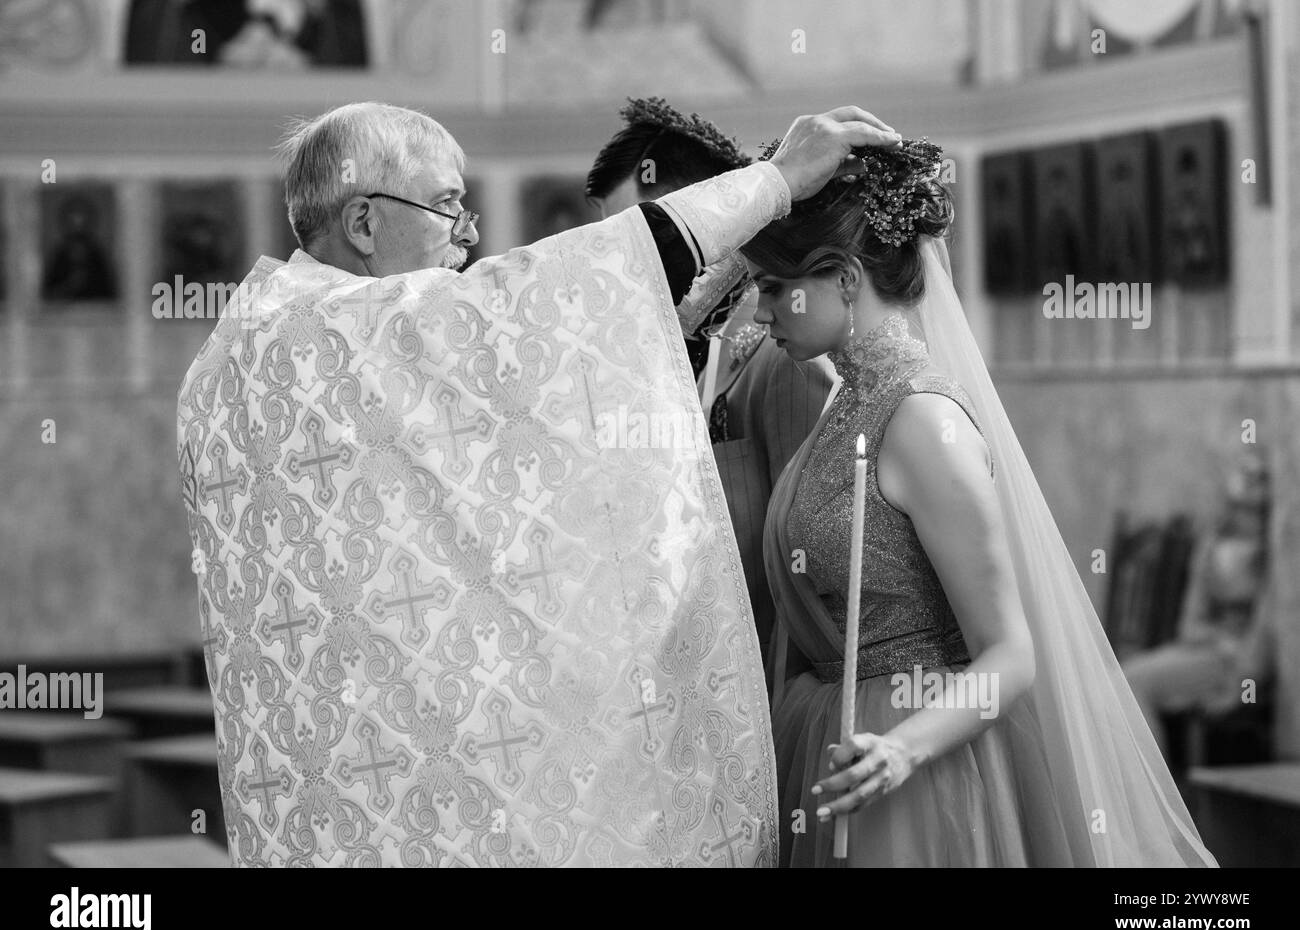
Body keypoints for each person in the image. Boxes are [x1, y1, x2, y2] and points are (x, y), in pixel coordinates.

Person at [175, 101, 900, 867]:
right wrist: (779, 180)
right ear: (361, 222)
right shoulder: (365, 328)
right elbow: (581, 287)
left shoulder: (233, 357)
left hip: (317, 791)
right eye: (448, 205)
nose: (469, 234)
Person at [743, 138, 1218, 866]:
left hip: (914, 771)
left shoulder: (922, 419)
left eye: (774, 286)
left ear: (841, 278)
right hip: (833, 745)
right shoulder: (845, 405)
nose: (760, 309)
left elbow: (1011, 653)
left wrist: (899, 751)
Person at [586, 97, 835, 673]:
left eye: (644, 245)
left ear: (707, 221)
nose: (617, 269)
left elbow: (812, 566)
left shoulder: (783, 353)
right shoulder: (659, 344)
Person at [1124, 454, 1274, 757]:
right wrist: (1218, 639)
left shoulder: (1269, 560)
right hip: (1206, 649)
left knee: (1130, 683)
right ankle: (1146, 786)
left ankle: (1155, 794)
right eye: (1240, 508)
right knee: (1124, 681)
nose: (1247, 518)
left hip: (1236, 663)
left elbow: (1263, 631)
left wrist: (1243, 677)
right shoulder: (1211, 549)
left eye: (1256, 511)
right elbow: (1190, 623)